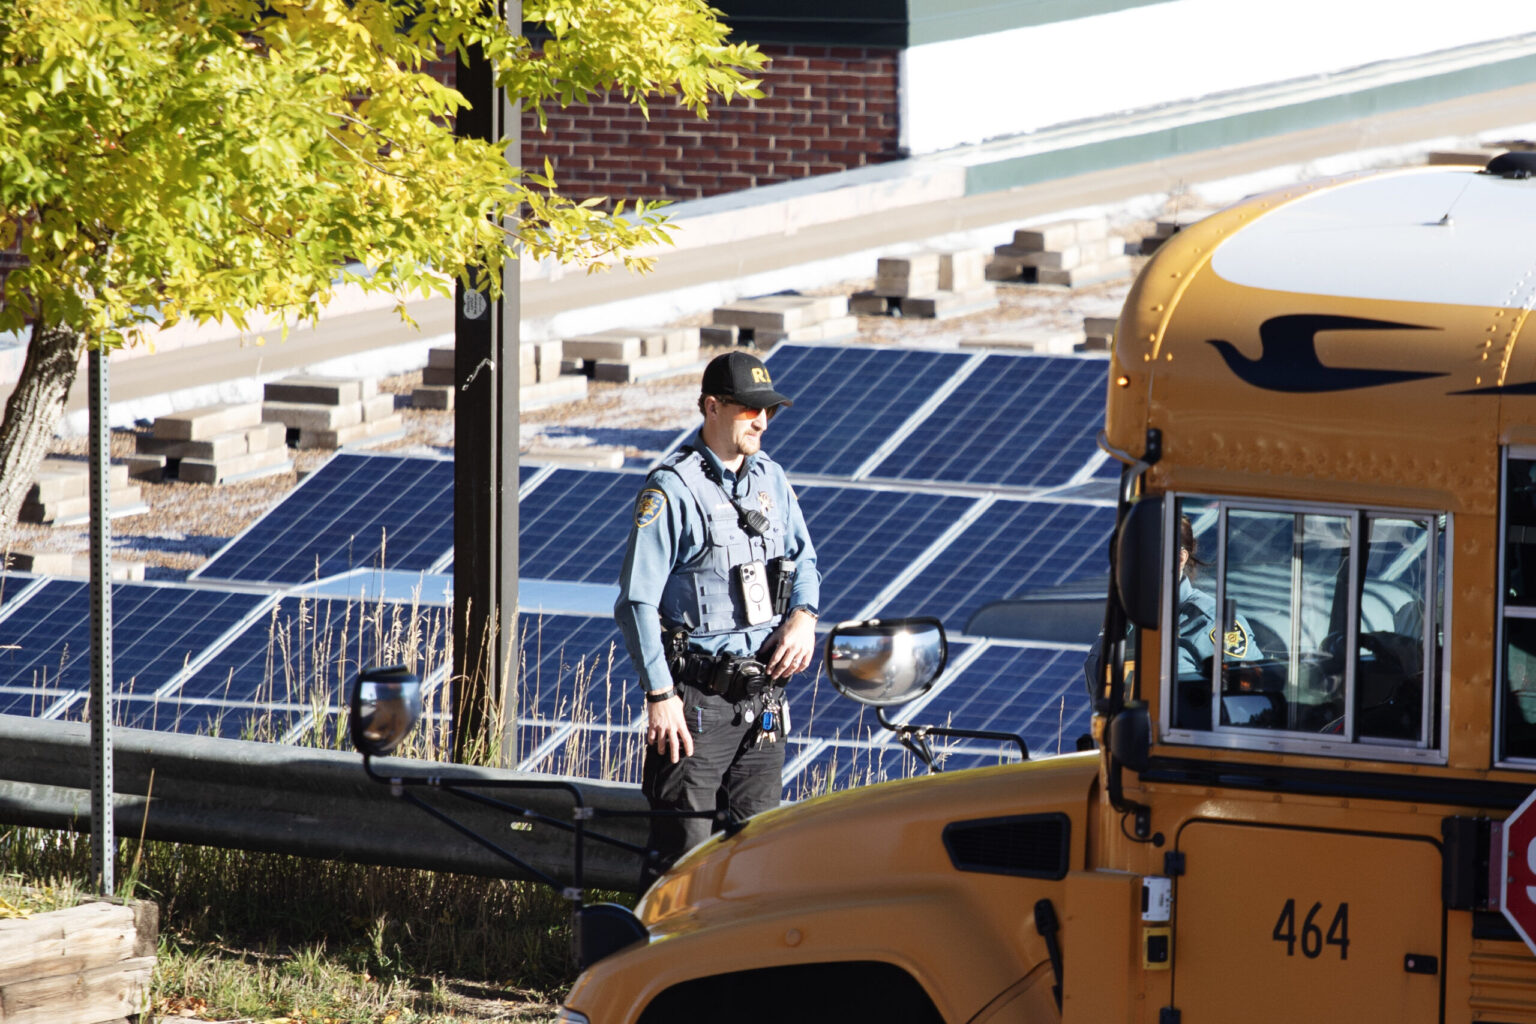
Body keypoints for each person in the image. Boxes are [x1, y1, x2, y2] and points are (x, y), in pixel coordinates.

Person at [615, 351, 820, 881]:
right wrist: (660, 697)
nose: (762, 421)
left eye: (769, 411)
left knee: (758, 856)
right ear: (711, 406)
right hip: (695, 710)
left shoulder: (771, 480)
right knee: (682, 863)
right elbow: (635, 602)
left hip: (763, 702)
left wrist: (804, 616)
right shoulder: (672, 489)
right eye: (749, 409)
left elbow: (805, 560)